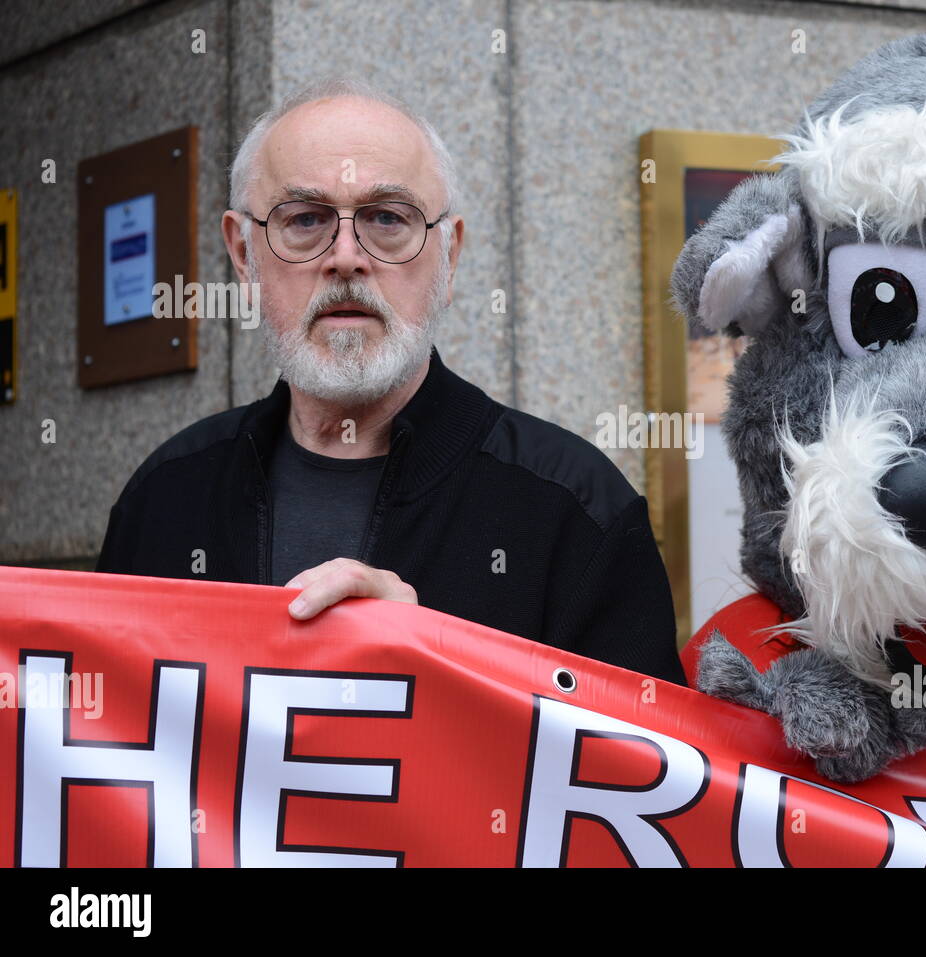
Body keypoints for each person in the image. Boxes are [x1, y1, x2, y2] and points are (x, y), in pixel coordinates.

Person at [95, 77, 686, 685]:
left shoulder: (575, 511)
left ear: (449, 256)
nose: (346, 256)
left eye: (386, 218)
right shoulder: (163, 499)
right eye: (304, 219)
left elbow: (641, 768)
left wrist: (435, 666)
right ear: (244, 256)